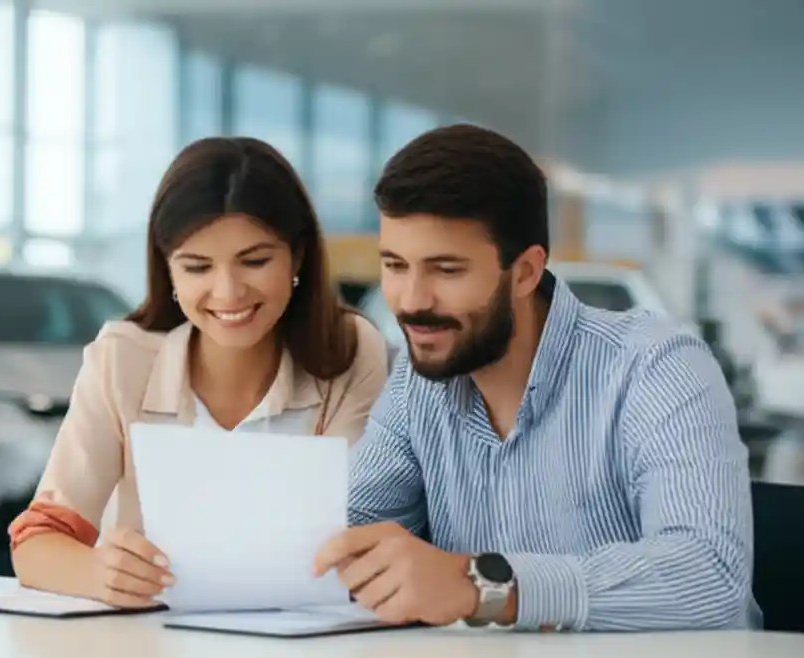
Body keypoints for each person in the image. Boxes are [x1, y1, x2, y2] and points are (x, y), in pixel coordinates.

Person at [314, 124, 756, 632]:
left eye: (447, 270)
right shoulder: (422, 381)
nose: (411, 301)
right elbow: (345, 535)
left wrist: (481, 586)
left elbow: (709, 579)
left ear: (525, 272)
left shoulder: (656, 368)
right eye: (395, 265)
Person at [9, 137, 389, 607]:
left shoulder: (350, 350)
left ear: (299, 256)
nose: (227, 291)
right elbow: (37, 541)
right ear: (168, 269)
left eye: (254, 261)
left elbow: (359, 530)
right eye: (197, 267)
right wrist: (96, 571)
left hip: (303, 653)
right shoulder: (122, 359)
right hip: (149, 655)